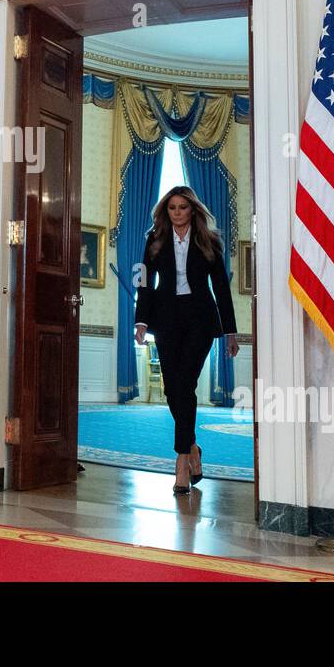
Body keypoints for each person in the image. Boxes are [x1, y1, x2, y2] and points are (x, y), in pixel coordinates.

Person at [133, 186, 238, 493]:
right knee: (173, 391)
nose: (177, 213)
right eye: (172, 208)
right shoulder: (154, 240)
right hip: (165, 319)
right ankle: (192, 447)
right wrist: (141, 321)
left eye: (182, 207)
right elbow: (144, 282)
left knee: (185, 386)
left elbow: (222, 288)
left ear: (193, 210)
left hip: (200, 320)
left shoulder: (209, 241)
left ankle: (180, 463)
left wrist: (230, 331)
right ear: (166, 211)